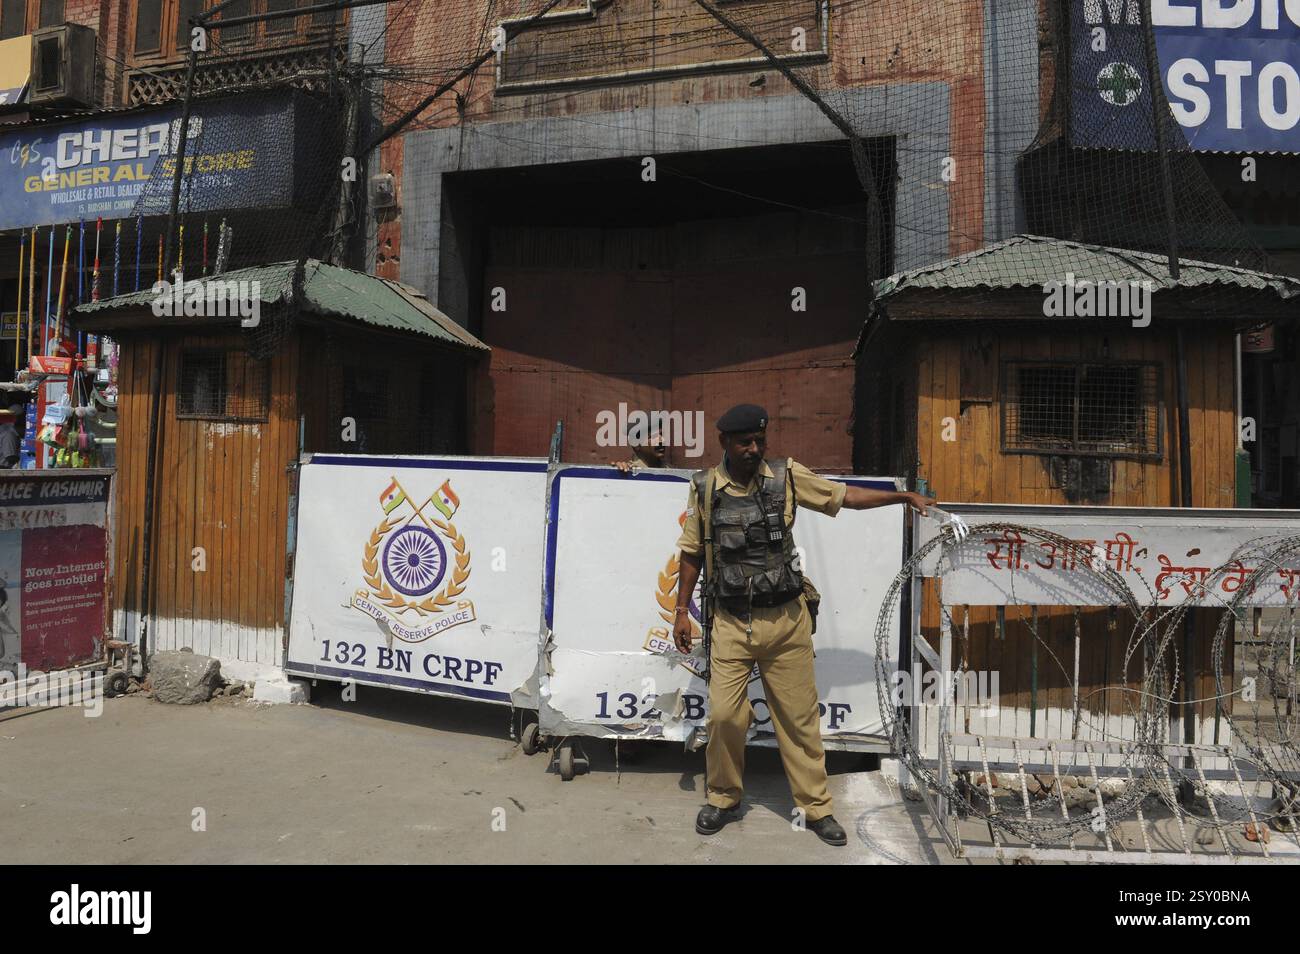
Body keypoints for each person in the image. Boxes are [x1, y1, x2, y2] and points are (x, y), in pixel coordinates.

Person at [673, 403, 934, 846]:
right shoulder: (703, 489)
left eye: (760, 440)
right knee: (723, 716)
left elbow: (844, 496)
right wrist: (682, 610)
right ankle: (723, 797)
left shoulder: (787, 476)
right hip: (733, 624)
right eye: (745, 443)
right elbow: (692, 552)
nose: (755, 449)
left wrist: (902, 498)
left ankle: (815, 808)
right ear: (724, 444)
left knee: (798, 720)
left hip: (787, 621)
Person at [0, 404, 24, 469]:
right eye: (23, 417)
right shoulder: (9, 433)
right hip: (3, 469)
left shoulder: (5, 428)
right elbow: (10, 457)